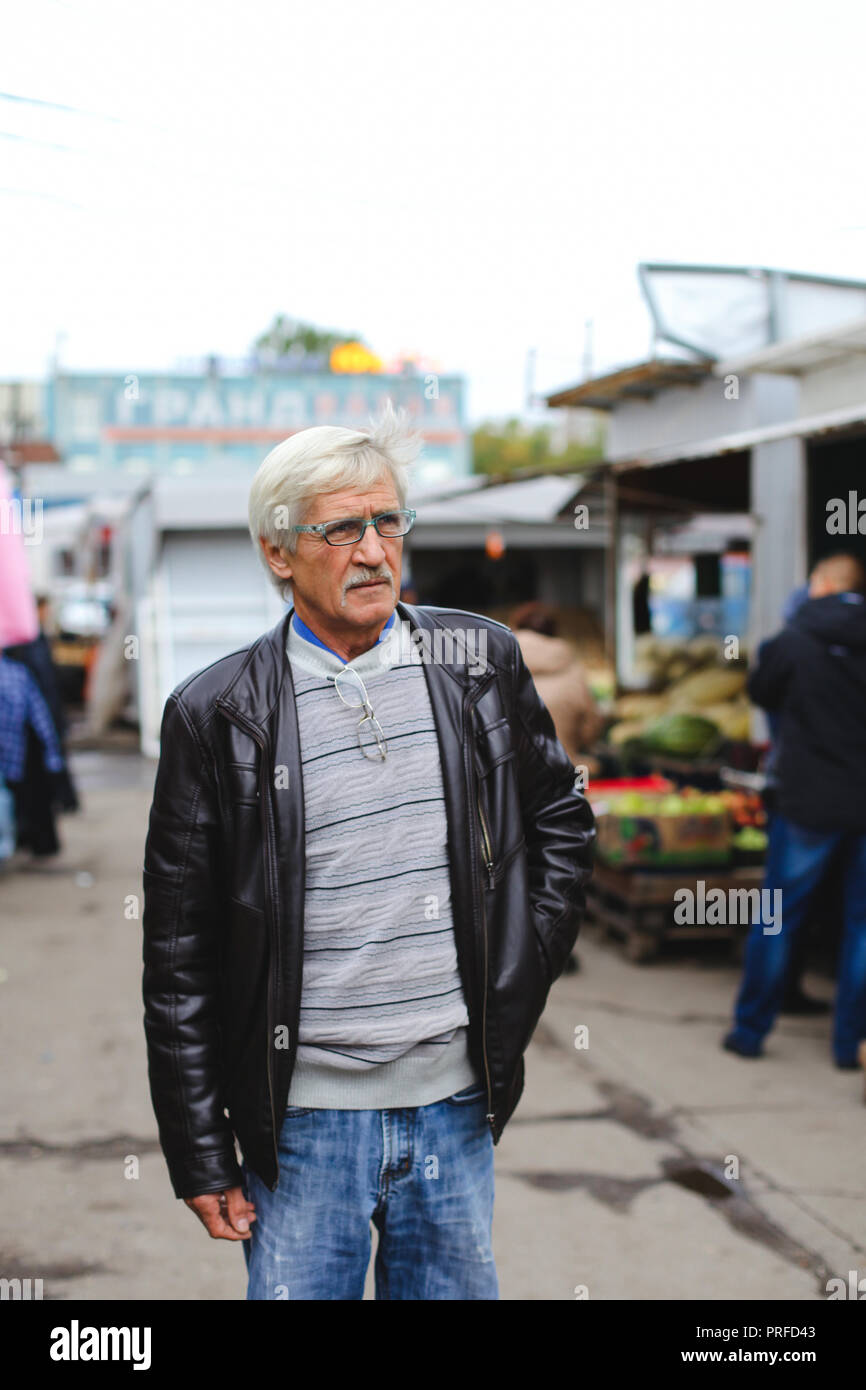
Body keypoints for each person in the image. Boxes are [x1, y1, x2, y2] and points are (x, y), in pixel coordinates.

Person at [142, 403, 596, 1301]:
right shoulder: (218, 713)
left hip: (455, 1109)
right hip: (300, 1122)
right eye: (342, 528)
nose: (375, 551)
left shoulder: (478, 663)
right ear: (280, 552)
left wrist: (524, 961)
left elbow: (561, 818)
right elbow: (179, 954)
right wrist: (199, 1150)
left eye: (389, 521)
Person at [723, 553, 866, 1072]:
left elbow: (762, 693)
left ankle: (750, 1031)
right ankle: (851, 1047)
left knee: (778, 917)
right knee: (862, 926)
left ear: (822, 584)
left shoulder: (792, 640)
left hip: (807, 799)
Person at [508, 601, 604, 770]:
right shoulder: (573, 669)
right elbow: (590, 727)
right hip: (561, 772)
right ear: (553, 631)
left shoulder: (494, 664)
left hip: (508, 776)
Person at [0, 650, 66, 859]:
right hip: (13, 754)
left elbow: (40, 716)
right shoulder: (19, 673)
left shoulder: (18, 673)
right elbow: (40, 716)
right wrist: (53, 755)